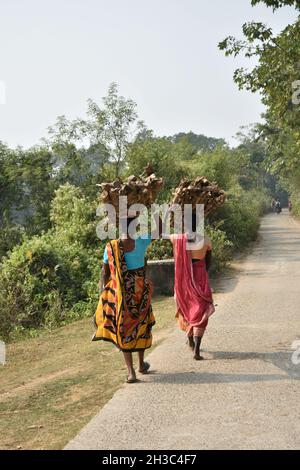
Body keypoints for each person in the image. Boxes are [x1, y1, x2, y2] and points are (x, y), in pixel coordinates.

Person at [93, 214, 161, 384]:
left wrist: (104, 292)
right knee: (141, 325)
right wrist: (155, 212)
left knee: (123, 328)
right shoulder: (141, 241)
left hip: (121, 295)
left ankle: (131, 372)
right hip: (140, 292)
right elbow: (158, 230)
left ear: (120, 226)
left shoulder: (111, 247)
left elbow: (105, 273)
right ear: (135, 226)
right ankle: (141, 364)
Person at [170, 214, 215, 360]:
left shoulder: (177, 239)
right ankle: (196, 350)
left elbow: (165, 233)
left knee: (186, 309)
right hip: (200, 278)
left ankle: (190, 339)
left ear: (184, 224)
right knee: (201, 312)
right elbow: (208, 262)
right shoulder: (206, 240)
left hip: (183, 281)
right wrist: (201, 274)